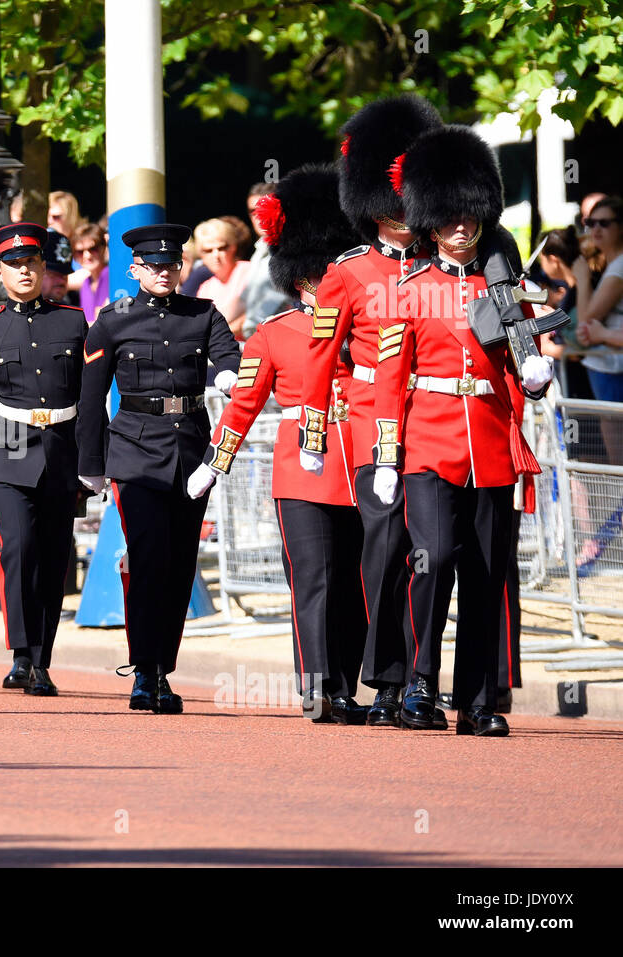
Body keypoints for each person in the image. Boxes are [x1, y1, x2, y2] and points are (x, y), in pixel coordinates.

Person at [374, 125, 554, 737]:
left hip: (491, 443)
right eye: (449, 217)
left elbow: (519, 363)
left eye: (469, 216)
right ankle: (421, 681)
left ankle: (477, 699)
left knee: (485, 570)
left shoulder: (502, 290)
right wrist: (382, 457)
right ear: (430, 222)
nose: (461, 227)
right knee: (433, 558)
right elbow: (391, 380)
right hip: (429, 442)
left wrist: (534, 376)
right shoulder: (411, 292)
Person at [189, 166, 368, 723]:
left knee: (357, 581)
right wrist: (215, 463)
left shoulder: (366, 328)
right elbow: (243, 405)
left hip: (362, 461)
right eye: (313, 278)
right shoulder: (273, 332)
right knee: (312, 578)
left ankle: (348, 685)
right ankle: (319, 686)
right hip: (303, 467)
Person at [299, 94, 444, 729]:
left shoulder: (445, 273)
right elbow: (318, 357)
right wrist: (314, 428)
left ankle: (422, 679)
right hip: (369, 427)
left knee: (431, 554)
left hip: (437, 423)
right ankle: (384, 680)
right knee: (385, 552)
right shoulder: (347, 273)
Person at [77, 223, 241, 713]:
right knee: (149, 559)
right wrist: (92, 464)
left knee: (179, 566)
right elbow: (91, 398)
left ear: (180, 268)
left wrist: (230, 372)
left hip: (191, 452)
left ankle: (163, 669)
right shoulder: (113, 319)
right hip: (135, 451)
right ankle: (144, 670)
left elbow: (229, 354)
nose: (163, 272)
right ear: (135, 270)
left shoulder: (202, 313)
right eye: (153, 266)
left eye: (171, 264)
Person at [0, 222, 89, 696]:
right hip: (6, 450)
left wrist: (93, 460)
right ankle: (22, 653)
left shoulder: (74, 321)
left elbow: (91, 394)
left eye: (32, 263)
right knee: (18, 547)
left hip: (61, 451)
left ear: (44, 268)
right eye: (14, 264)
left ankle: (41, 661)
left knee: (53, 556)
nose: (24, 271)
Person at [573, 197, 623, 402]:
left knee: (613, 434)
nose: (596, 229)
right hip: (608, 365)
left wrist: (583, 279)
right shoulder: (614, 265)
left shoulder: (619, 267)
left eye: (604, 223)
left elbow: (585, 318)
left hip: (613, 367)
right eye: (591, 223)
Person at [240, 183, 294, 339]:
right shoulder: (259, 251)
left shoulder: (291, 249)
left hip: (282, 338)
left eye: (264, 207)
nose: (258, 215)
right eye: (252, 211)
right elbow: (245, 303)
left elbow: (269, 307)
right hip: (260, 337)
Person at [193, 217, 250, 338]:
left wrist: (219, 336)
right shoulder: (205, 288)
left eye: (221, 248)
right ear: (201, 255)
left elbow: (254, 315)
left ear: (233, 247)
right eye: (208, 250)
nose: (216, 255)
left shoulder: (249, 271)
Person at [68, 223, 109, 324]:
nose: (87, 255)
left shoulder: (112, 275)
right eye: (80, 251)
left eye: (93, 249)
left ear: (103, 248)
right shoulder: (85, 284)